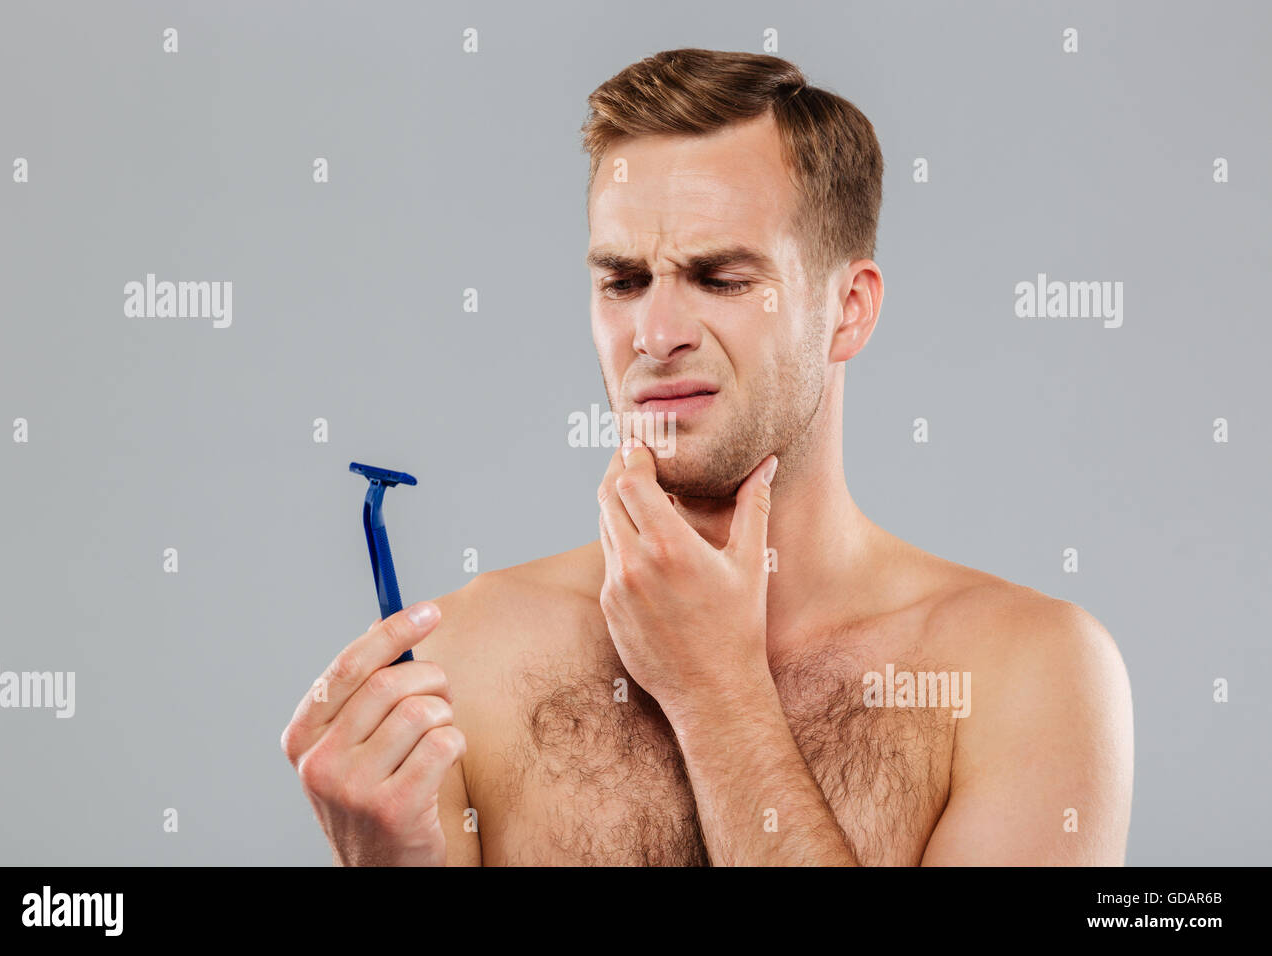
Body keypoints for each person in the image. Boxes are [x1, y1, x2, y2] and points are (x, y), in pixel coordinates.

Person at [281, 48, 1133, 866]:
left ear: (848, 309)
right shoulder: (460, 663)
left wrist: (718, 694)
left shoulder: (1031, 675)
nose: (654, 336)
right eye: (623, 281)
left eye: (722, 279)